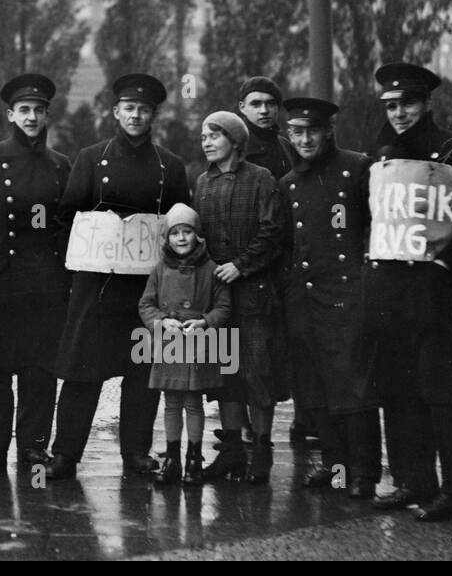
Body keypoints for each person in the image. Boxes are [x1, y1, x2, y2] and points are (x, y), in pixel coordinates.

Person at [367, 63, 452, 521]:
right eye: (390, 105)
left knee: (443, 391)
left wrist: (448, 263)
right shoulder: (381, 154)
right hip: (392, 291)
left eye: (407, 103)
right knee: (399, 390)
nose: (399, 112)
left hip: (440, 294)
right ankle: (413, 480)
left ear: (426, 104)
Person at [47, 74, 191, 480]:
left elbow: (183, 227)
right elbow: (66, 217)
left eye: (144, 110)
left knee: (142, 374)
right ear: (116, 112)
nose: (136, 115)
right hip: (96, 286)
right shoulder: (92, 159)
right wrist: (79, 259)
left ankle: (136, 453)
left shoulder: (171, 166)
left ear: (153, 116)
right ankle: (65, 455)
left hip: (146, 290)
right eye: (129, 108)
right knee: (81, 373)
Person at [0, 74, 72, 473]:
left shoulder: (60, 166)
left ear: (46, 116)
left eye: (39, 111)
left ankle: (33, 447)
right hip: (0, 281)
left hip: (45, 283)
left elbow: (70, 222)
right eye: (24, 110)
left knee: (40, 369)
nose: (32, 117)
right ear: (10, 114)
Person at [278, 97, 381, 500]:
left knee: (353, 387)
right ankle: (335, 464)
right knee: (315, 387)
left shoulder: (357, 167)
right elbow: (288, 244)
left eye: (312, 131)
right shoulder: (288, 183)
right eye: (297, 132)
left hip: (347, 294)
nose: (305, 139)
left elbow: (374, 226)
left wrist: (365, 277)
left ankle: (364, 471)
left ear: (327, 132)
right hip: (305, 296)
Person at [194, 110, 287, 483]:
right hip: (217, 300)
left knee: (258, 375)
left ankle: (262, 452)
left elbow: (273, 232)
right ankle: (231, 451)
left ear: (235, 140)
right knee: (224, 376)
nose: (206, 142)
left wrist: (241, 265)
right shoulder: (201, 182)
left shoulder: (261, 179)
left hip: (255, 297)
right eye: (203, 136)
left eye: (214, 135)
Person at [236, 75, 310, 447]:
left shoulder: (286, 146)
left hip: (287, 259)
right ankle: (246, 427)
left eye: (270, 104)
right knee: (252, 349)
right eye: (256, 104)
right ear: (242, 109)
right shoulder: (238, 148)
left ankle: (303, 420)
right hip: (248, 260)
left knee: (294, 342)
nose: (265, 111)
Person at [137, 203, 231, 486]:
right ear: (167, 238)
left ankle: (193, 460)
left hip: (198, 341)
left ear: (198, 236)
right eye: (175, 233)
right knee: (171, 402)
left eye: (187, 232)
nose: (181, 238)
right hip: (169, 340)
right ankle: (173, 459)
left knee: (193, 402)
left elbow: (224, 307)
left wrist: (204, 322)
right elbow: (146, 304)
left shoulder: (211, 269)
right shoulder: (160, 269)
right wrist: (162, 321)